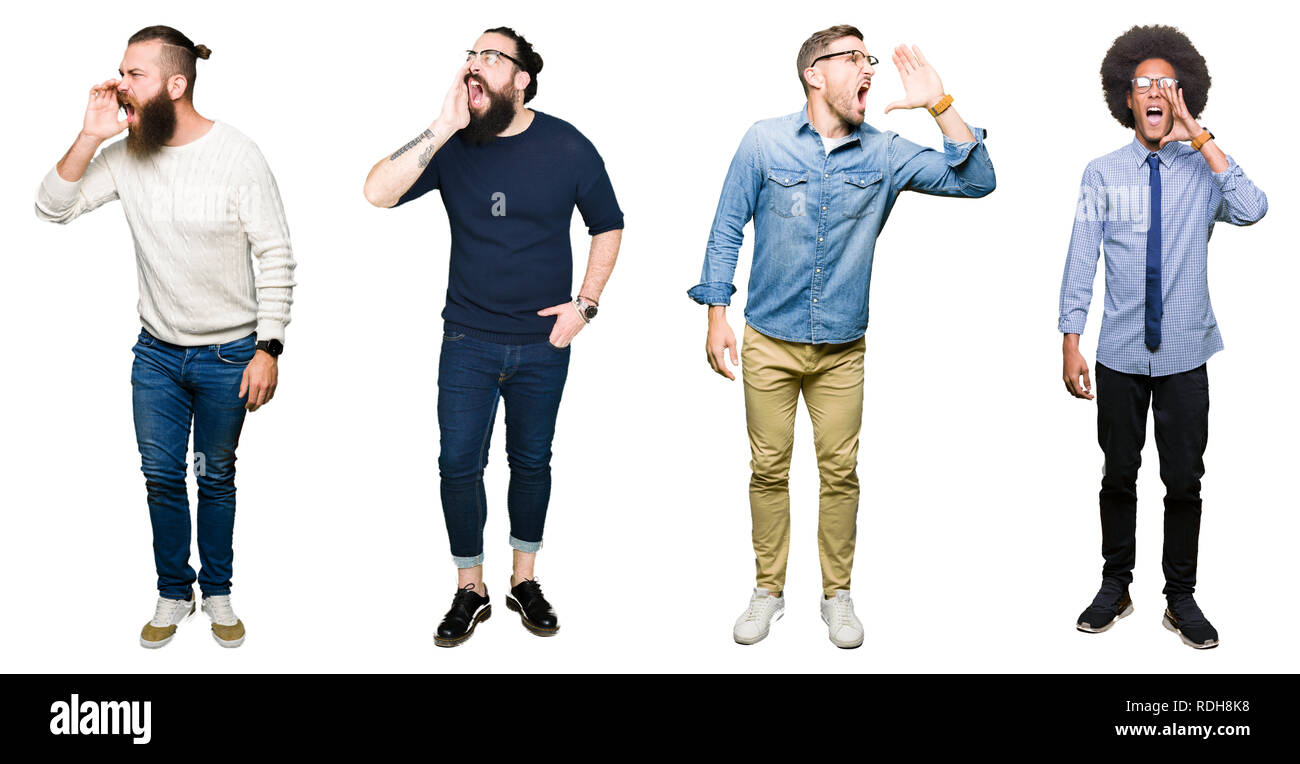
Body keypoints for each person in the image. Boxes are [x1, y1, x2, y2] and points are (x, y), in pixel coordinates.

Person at [689, 24, 995, 649]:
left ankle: (837, 595)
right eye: (853, 58)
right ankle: (768, 590)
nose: (868, 69)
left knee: (840, 473)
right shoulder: (763, 142)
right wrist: (716, 311)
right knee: (768, 469)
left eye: (869, 58)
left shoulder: (883, 152)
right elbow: (726, 228)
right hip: (767, 341)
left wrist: (941, 104)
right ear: (813, 74)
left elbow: (977, 180)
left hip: (841, 351)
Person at [34, 25, 296, 649]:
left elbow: (276, 254)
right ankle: (174, 592)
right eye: (121, 71)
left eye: (134, 75)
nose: (118, 83)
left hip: (230, 354)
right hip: (156, 355)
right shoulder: (124, 153)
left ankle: (220, 591)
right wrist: (92, 134)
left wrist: (270, 346)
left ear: (175, 85)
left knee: (215, 477)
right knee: (160, 476)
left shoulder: (238, 154)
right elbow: (52, 207)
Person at [363, 27, 624, 647]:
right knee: (458, 463)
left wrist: (584, 307)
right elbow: (376, 191)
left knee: (531, 462)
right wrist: (441, 124)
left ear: (521, 78)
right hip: (467, 342)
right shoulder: (453, 146)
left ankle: (523, 580)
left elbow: (608, 225)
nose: (475, 65)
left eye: (491, 56)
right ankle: (470, 588)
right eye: (470, 56)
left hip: (543, 344)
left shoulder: (567, 145)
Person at [1060, 25, 1267, 650]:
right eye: (1141, 83)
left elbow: (1254, 207)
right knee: (1118, 474)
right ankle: (1115, 584)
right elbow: (1080, 256)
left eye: (1165, 84)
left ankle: (1180, 596)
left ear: (1183, 95)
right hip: (1119, 353)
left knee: (1184, 481)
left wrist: (1199, 136)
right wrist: (1070, 337)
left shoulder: (1204, 169)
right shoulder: (1101, 173)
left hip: (1186, 354)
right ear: (1125, 97)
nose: (1153, 91)